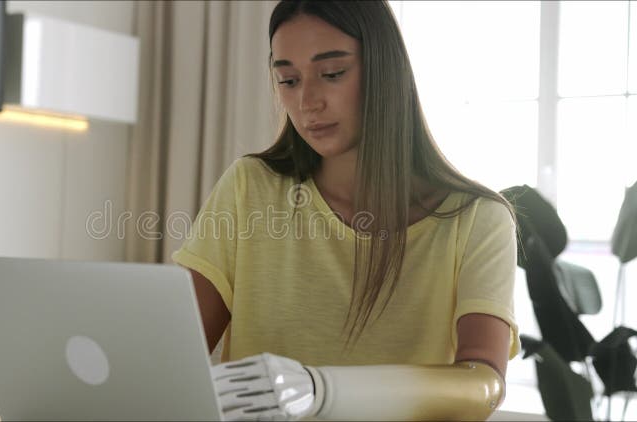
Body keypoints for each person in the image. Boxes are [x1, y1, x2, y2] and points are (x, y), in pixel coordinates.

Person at [171, 1, 519, 420]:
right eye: (288, 79)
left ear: (385, 70)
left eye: (332, 74)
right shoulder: (250, 187)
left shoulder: (479, 220)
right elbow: (171, 356)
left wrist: (321, 390)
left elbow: (484, 385)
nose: (306, 102)